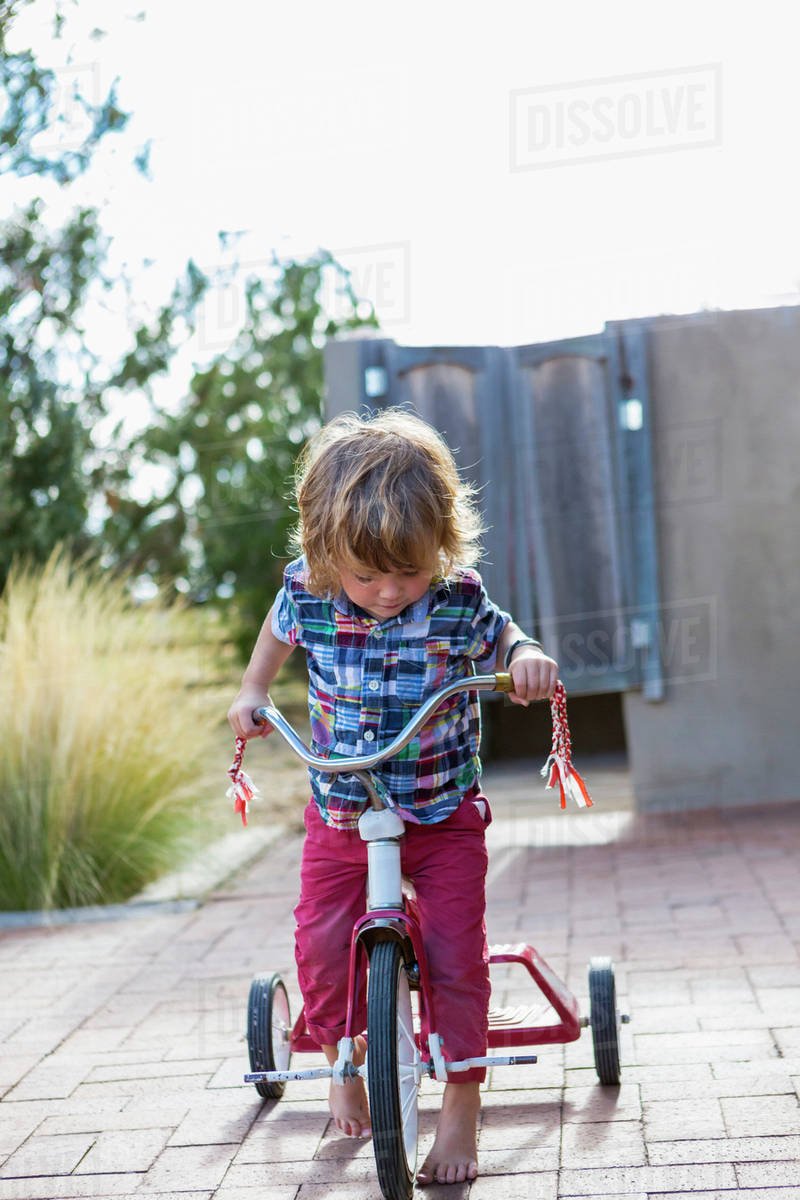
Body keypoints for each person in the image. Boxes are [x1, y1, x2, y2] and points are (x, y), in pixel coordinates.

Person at [227, 408, 558, 1186]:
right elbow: (275, 636)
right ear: (325, 552)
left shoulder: (456, 598)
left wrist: (525, 656)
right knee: (320, 942)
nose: (385, 591)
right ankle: (342, 1060)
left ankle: (462, 1100)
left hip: (440, 811)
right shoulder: (308, 590)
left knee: (454, 954)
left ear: (439, 548)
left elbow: (503, 635)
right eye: (366, 576)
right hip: (343, 810)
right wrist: (252, 690)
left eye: (406, 574)